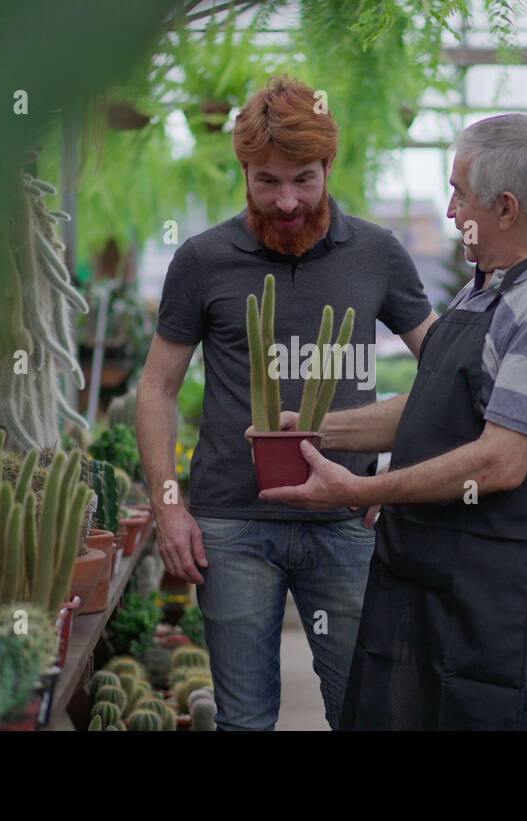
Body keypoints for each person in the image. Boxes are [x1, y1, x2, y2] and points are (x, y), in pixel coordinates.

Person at [260, 113, 527, 730]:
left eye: (459, 193)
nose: (450, 211)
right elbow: (431, 406)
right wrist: (316, 432)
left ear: (505, 207)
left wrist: (365, 489)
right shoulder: (488, 289)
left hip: (510, 594)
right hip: (452, 575)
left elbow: (500, 460)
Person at [135, 75, 435, 730]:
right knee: (244, 720)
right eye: (266, 180)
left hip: (346, 520)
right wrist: (168, 508)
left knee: (365, 711)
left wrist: (402, 473)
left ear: (328, 164)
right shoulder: (202, 259)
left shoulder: (378, 254)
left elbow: (444, 371)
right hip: (231, 526)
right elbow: (156, 388)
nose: (288, 200)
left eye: (303, 178)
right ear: (243, 168)